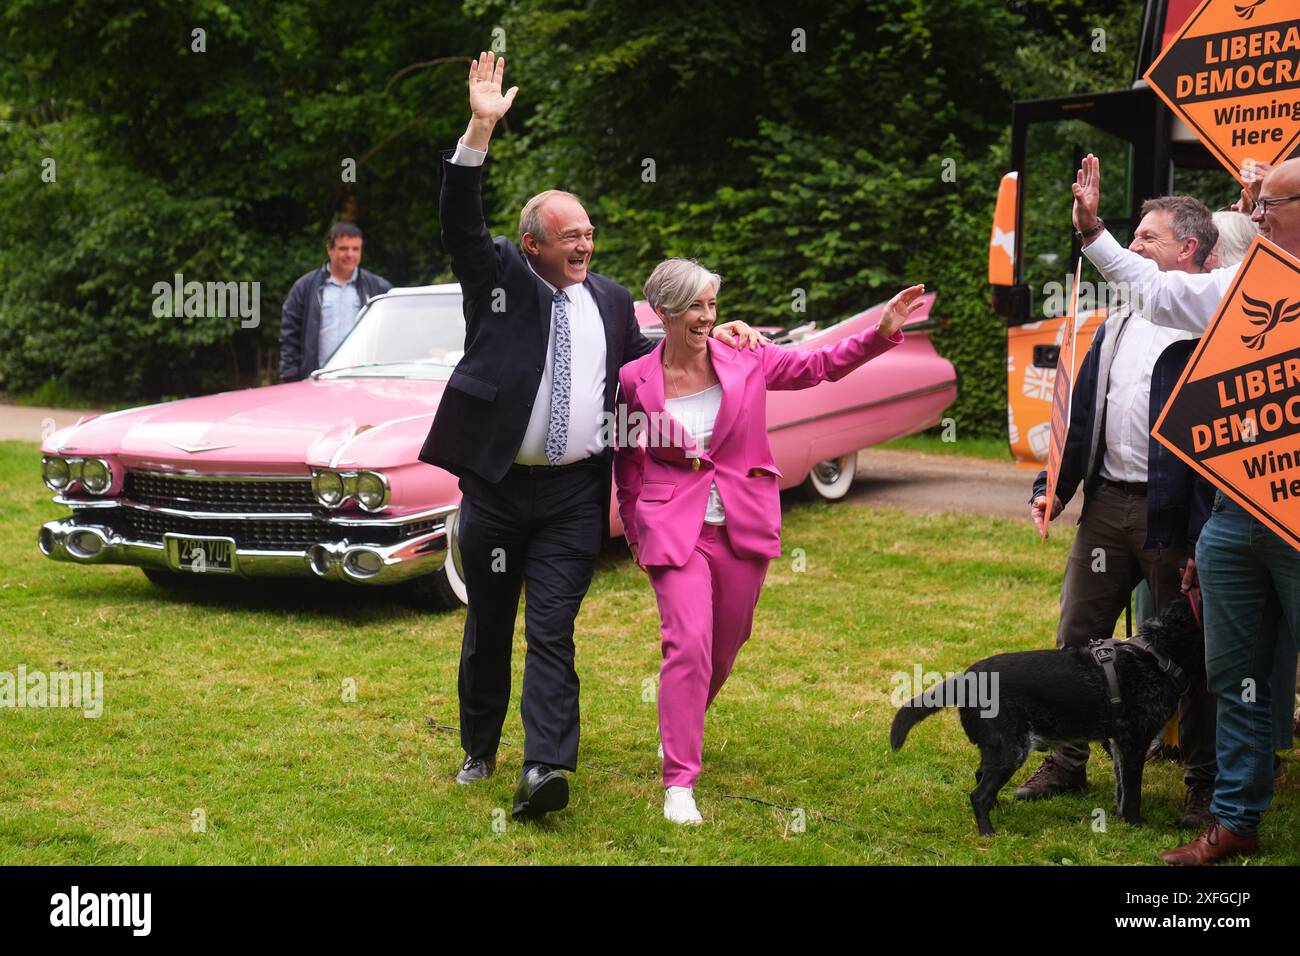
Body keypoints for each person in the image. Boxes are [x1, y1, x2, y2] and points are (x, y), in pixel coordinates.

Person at [417, 53, 760, 821]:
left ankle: (545, 768)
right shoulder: (498, 276)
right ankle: (479, 744)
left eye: (590, 234)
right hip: (500, 490)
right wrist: (479, 127)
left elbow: (657, 357)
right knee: (489, 623)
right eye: (568, 235)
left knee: (553, 629)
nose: (584, 245)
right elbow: (457, 220)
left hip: (575, 492)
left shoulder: (609, 299)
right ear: (532, 243)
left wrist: (721, 336)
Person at [615, 257, 925, 823]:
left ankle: (681, 722)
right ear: (663, 312)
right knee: (687, 642)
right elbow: (628, 461)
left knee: (727, 641)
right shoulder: (636, 378)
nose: (707, 317)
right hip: (673, 527)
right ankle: (679, 783)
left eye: (712, 304)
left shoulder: (746, 355)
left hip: (741, 521)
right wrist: (636, 530)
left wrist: (879, 334)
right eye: (694, 307)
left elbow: (819, 367)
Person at [1070, 152, 1300, 864]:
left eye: (1267, 207)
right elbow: (1160, 291)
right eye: (1255, 207)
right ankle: (1234, 820)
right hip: (1234, 516)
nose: (1253, 217)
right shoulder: (1242, 283)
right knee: (1235, 675)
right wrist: (1093, 234)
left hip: (1294, 519)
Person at [1022, 196, 1218, 828]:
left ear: (1188, 249)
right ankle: (1065, 759)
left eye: (1147, 240)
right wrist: (1052, 486)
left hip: (1176, 519)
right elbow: (1083, 419)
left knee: (1191, 657)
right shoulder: (1114, 324)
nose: (1133, 249)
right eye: (1130, 237)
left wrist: (1201, 532)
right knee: (1077, 640)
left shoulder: (1212, 325)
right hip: (1107, 505)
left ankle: (1203, 784)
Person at [279, 222, 392, 381]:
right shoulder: (305, 287)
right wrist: (290, 378)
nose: (350, 254)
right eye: (343, 248)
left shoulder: (378, 288)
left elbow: (391, 335)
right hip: (317, 379)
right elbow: (289, 336)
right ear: (329, 250)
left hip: (362, 379)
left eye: (355, 249)